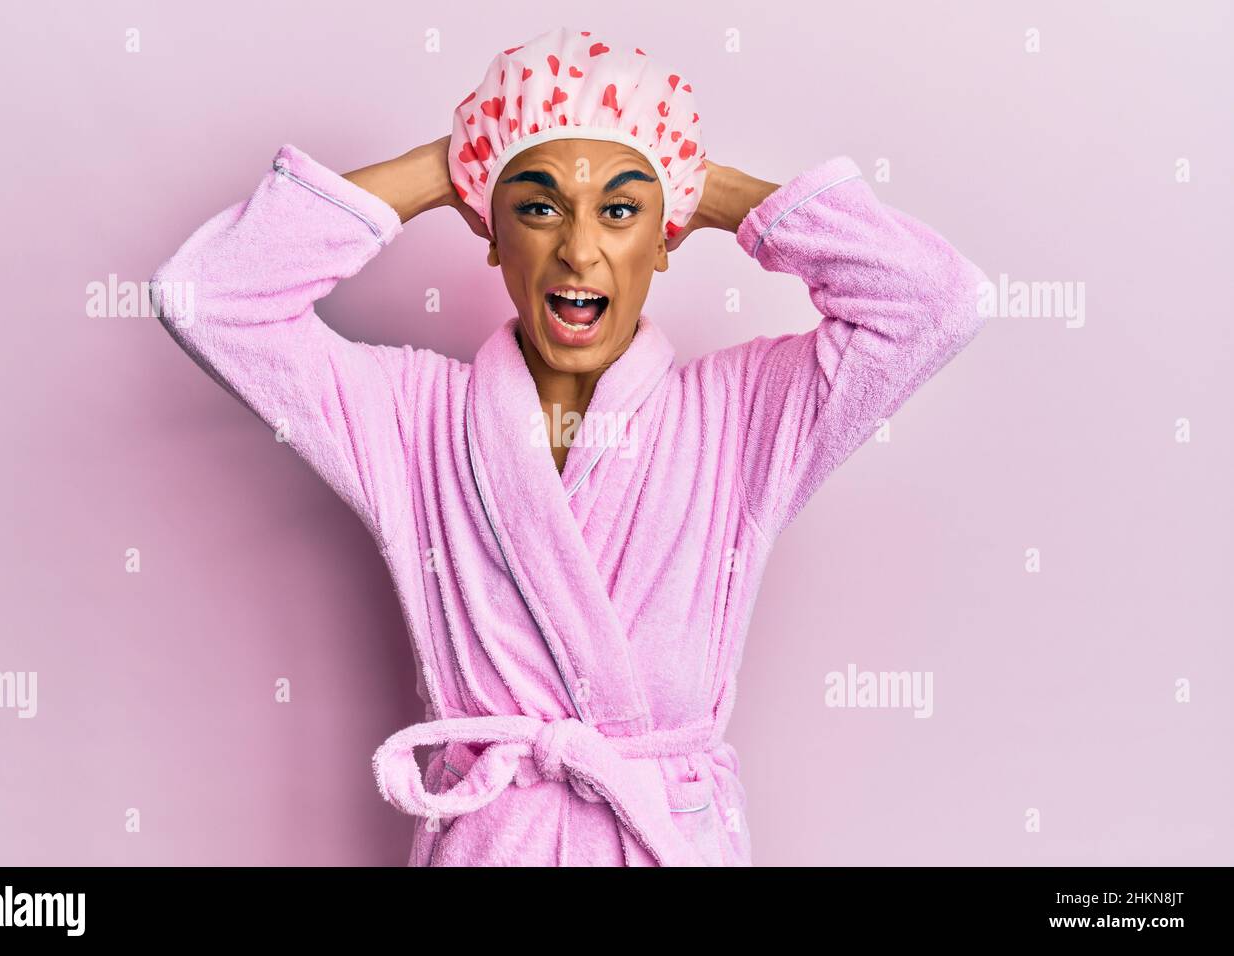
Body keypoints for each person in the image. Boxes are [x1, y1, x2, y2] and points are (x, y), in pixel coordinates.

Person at [150, 26, 988, 866]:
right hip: (494, 844)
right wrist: (450, 166)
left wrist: (711, 186)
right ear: (491, 233)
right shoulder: (416, 420)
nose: (580, 249)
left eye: (622, 210)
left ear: (666, 237)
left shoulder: (740, 419)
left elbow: (935, 302)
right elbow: (209, 297)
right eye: (537, 206)